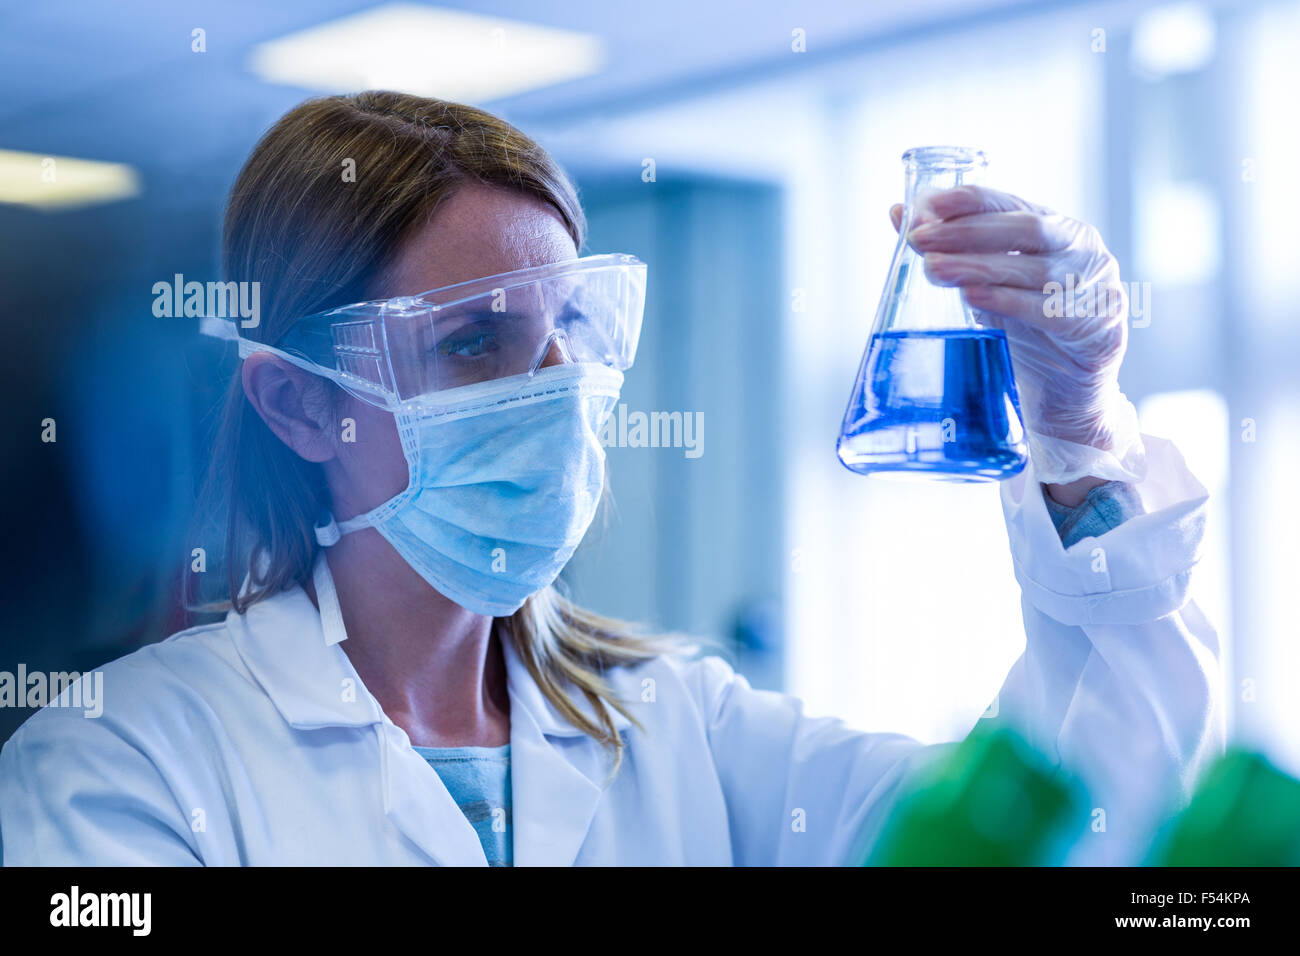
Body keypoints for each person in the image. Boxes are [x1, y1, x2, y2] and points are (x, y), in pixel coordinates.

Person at [0, 92, 1222, 866]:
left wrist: (1076, 423)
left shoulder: (680, 723)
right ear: (304, 401)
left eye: (570, 331)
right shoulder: (123, 763)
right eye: (474, 337)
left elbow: (1086, 820)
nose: (558, 390)